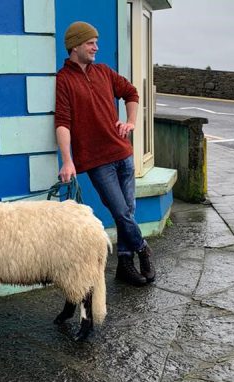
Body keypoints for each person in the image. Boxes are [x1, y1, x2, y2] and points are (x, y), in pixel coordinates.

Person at [54, 21, 154, 287]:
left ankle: (124, 264)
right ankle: (143, 249)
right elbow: (62, 122)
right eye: (90, 42)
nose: (96, 47)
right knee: (121, 212)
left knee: (128, 211)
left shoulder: (105, 72)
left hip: (123, 153)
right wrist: (68, 161)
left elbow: (131, 92)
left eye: (96, 42)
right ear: (75, 46)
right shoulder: (63, 80)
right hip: (98, 161)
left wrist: (130, 122)